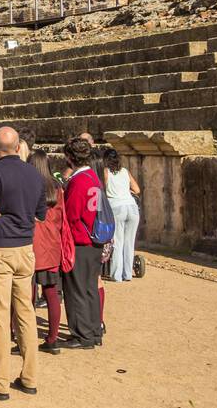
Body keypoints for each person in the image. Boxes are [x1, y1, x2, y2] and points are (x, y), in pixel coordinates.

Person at [0, 127, 47, 399]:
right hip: (25, 249)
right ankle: (29, 376)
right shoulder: (34, 173)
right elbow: (41, 214)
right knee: (25, 312)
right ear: (17, 146)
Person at [62, 136, 105, 349]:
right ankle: (94, 330)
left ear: (70, 158)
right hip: (93, 241)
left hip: (80, 240)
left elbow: (71, 214)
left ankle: (82, 335)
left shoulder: (79, 181)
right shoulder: (93, 177)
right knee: (89, 288)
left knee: (77, 289)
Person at [29, 150, 73, 355]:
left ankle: (24, 337)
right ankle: (52, 338)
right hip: (51, 245)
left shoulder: (29, 186)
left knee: (26, 295)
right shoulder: (57, 188)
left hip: (31, 243)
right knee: (51, 293)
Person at [104, 150, 141, 282]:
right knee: (129, 243)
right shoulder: (125, 171)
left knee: (117, 242)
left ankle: (116, 275)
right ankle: (127, 274)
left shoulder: (106, 172)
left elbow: (102, 189)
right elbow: (137, 190)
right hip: (131, 207)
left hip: (116, 207)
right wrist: (125, 191)